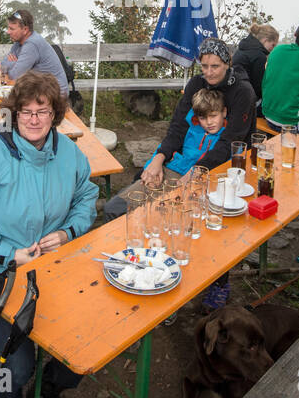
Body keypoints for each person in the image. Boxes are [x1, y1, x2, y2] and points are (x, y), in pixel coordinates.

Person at [0, 71, 98, 398]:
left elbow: (86, 196)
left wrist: (67, 232)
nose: (33, 119)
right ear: (13, 114)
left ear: (55, 115)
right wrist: (9, 253)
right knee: (17, 361)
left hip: (55, 267)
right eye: (26, 111)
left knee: (89, 333)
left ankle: (48, 388)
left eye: (42, 111)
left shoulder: (70, 155)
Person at [143, 37, 255, 311]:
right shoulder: (196, 85)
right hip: (187, 161)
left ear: (227, 63)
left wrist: (196, 171)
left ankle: (219, 283)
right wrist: (159, 158)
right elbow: (178, 129)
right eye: (203, 65)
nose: (209, 72)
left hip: (229, 166)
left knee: (213, 224)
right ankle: (162, 266)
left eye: (215, 66)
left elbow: (231, 141)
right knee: (156, 206)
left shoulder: (242, 92)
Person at [102, 88, 227, 220]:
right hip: (167, 173)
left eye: (213, 116)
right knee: (113, 208)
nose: (209, 122)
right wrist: (149, 170)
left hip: (193, 183)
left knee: (155, 217)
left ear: (224, 112)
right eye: (203, 117)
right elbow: (166, 146)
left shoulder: (225, 139)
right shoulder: (190, 128)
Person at [1, 9, 69, 96]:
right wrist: (15, 65)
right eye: (8, 28)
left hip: (55, 94)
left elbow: (14, 76)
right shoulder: (18, 42)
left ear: (25, 29)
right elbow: (3, 65)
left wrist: (13, 64)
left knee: (7, 102)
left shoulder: (32, 44)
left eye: (12, 29)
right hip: (39, 88)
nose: (8, 32)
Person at [232, 23, 279, 111]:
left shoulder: (243, 48)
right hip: (246, 102)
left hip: (234, 96)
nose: (273, 49)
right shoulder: (259, 56)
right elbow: (259, 87)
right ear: (265, 40)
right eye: (273, 45)